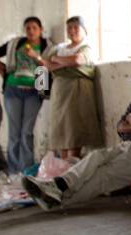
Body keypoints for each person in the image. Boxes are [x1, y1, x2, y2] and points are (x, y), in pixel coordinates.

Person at [22, 64, 131, 210]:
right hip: (129, 146)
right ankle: (59, 184)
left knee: (103, 176)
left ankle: (61, 199)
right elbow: (120, 127)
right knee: (96, 156)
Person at [0, 17, 48, 174]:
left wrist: (35, 56)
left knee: (27, 131)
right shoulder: (16, 44)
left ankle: (26, 170)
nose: (31, 31)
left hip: (34, 92)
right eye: (28, 28)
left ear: (41, 30)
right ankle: (13, 171)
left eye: (34, 28)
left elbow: (48, 66)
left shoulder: (46, 46)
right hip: (13, 90)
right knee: (14, 132)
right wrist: (1, 68)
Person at [37, 16, 101, 160]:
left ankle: (71, 169)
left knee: (74, 130)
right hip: (59, 92)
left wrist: (57, 60)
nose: (72, 31)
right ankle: (63, 169)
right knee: (62, 131)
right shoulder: (60, 48)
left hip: (77, 91)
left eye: (76, 27)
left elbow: (78, 60)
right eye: (69, 28)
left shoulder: (86, 47)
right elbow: (47, 65)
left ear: (84, 30)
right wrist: (64, 63)